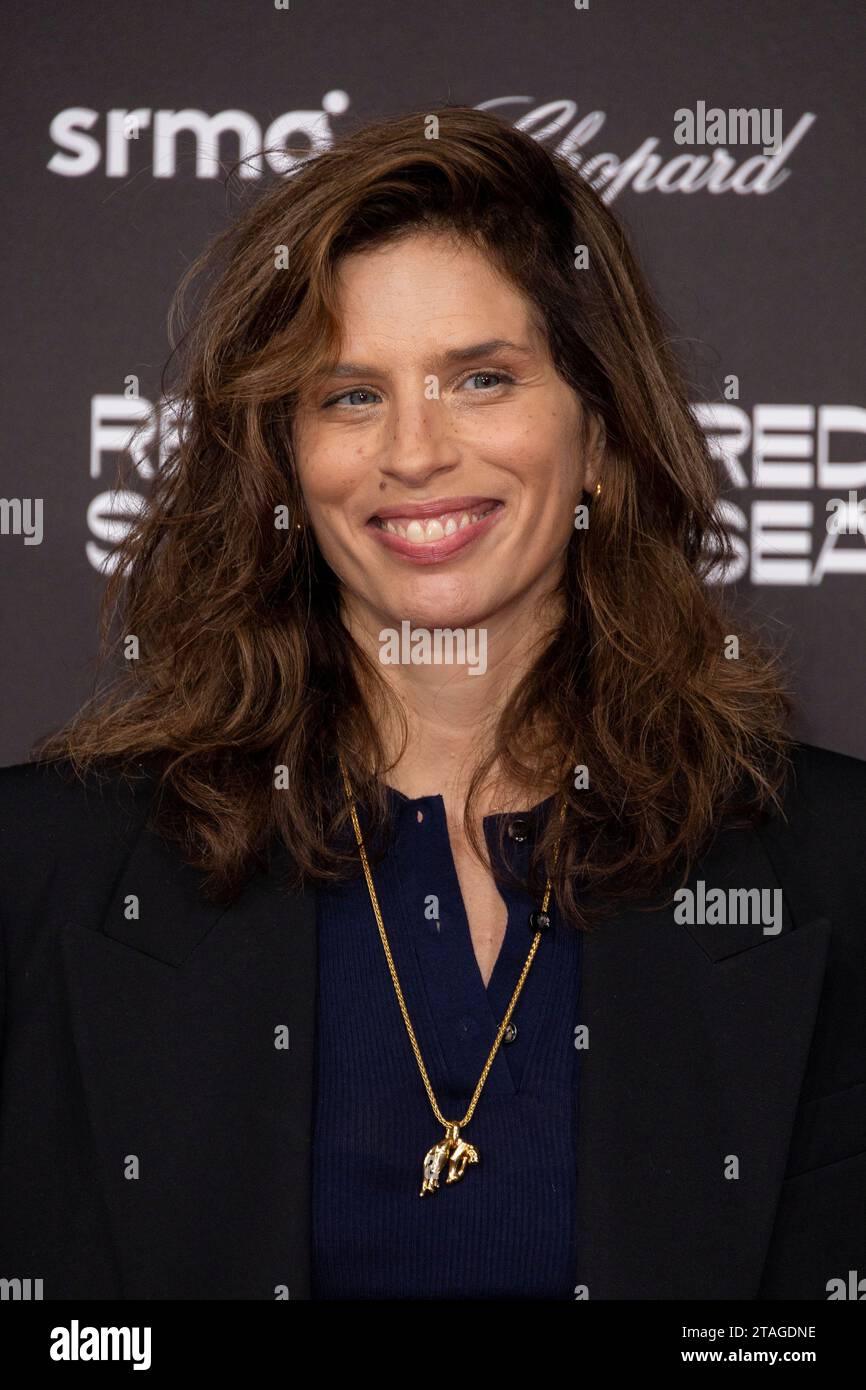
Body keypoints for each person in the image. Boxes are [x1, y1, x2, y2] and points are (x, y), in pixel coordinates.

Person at [0, 105, 863, 1301]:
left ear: (602, 434)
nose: (413, 450)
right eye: (349, 395)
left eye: (481, 378)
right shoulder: (45, 869)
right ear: (281, 460)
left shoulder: (829, 867)